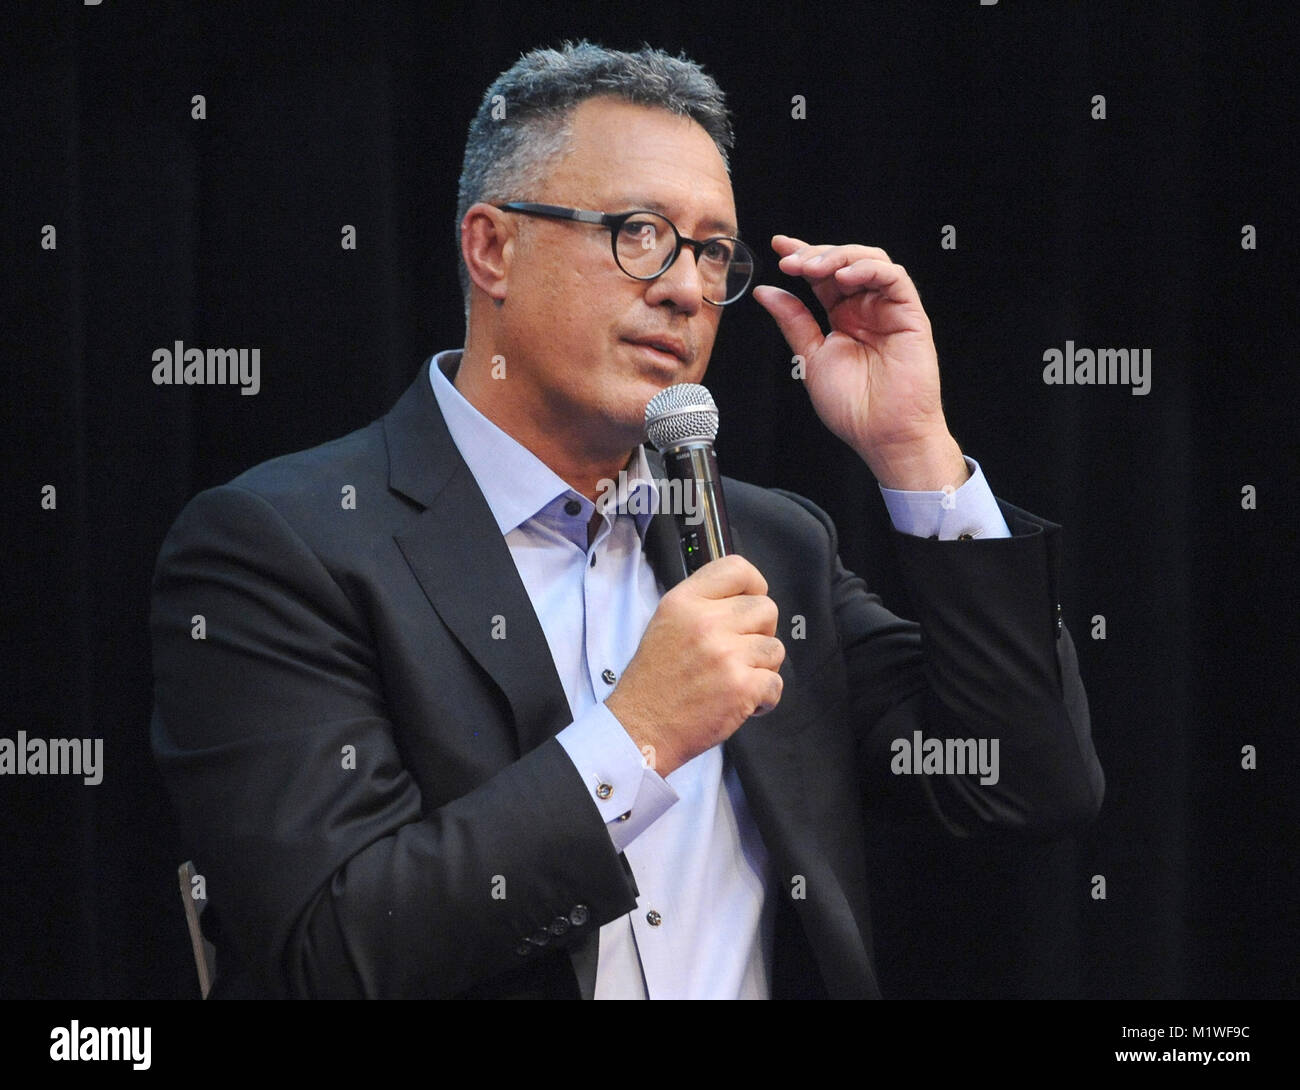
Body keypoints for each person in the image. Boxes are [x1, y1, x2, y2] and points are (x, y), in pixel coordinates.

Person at [150, 41, 1104, 999]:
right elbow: (331, 954)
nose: (686, 289)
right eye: (639, 232)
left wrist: (917, 450)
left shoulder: (769, 547)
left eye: (713, 252)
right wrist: (637, 735)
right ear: (493, 248)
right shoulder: (283, 547)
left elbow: (1022, 782)